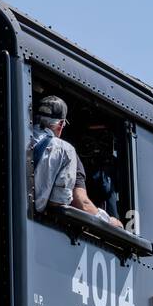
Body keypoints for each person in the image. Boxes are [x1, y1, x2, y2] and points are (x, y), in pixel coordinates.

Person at [30, 95, 121, 228]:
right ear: (61, 124)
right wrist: (109, 221)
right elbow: (75, 203)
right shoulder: (65, 150)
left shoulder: (16, 134)